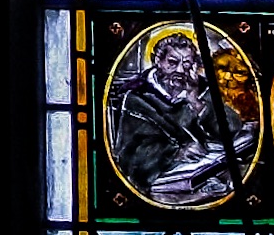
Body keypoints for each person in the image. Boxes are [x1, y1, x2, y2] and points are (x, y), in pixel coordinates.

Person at [105, 30, 257, 206]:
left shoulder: (201, 88)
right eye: (172, 62)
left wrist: (196, 102)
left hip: (210, 172)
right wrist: (176, 153)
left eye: (186, 64)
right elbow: (130, 154)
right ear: (157, 61)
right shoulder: (137, 98)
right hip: (163, 183)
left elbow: (232, 128)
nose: (180, 70)